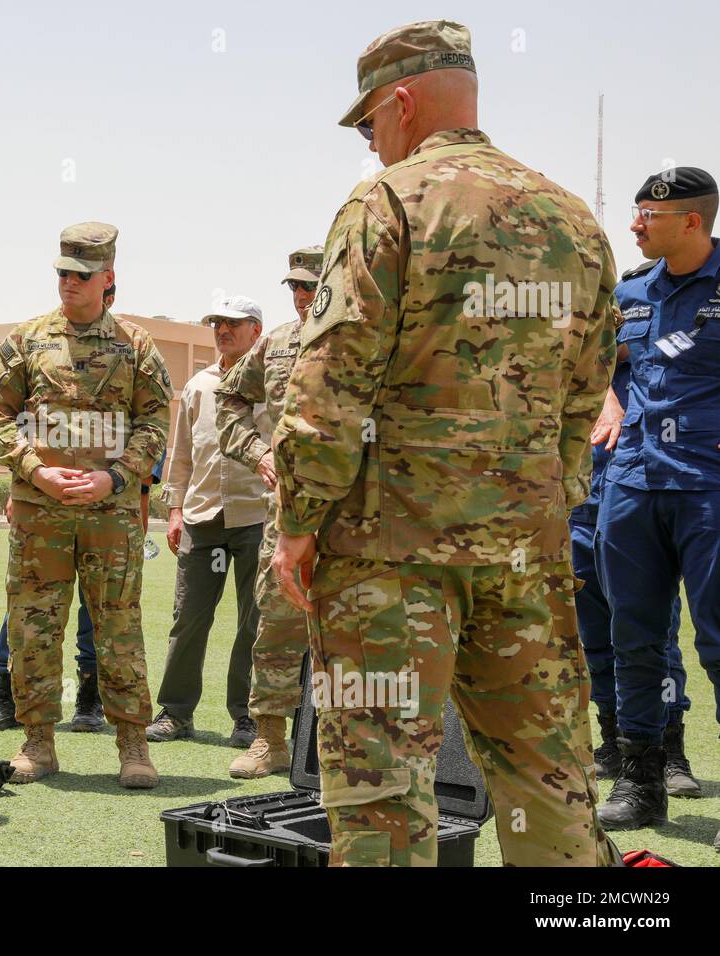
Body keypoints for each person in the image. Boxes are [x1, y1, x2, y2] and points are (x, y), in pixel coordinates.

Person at [271, 20, 617, 866]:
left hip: (391, 557)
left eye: (367, 125)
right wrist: (543, 499)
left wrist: (298, 519)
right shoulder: (575, 219)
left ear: (401, 102)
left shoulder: (388, 202)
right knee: (547, 778)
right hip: (525, 553)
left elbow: (329, 385)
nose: (372, 142)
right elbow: (589, 394)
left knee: (384, 789)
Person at [0, 221, 171, 788]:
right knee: (34, 625)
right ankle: (38, 742)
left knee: (118, 624)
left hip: (109, 516)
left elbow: (156, 420)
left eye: (82, 275)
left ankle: (133, 745)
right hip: (40, 515)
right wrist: (35, 469)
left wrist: (115, 479)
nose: (70, 282)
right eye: (64, 272)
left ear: (108, 278)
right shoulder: (26, 340)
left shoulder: (135, 346)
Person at [595, 167, 720, 833]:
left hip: (709, 487)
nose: (635, 225)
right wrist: (613, 398)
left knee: (719, 643)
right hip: (635, 484)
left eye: (647, 215)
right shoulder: (631, 292)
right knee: (634, 638)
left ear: (692, 221)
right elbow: (603, 365)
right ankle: (640, 783)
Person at [215, 247, 321, 778]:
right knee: (276, 625)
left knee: (363, 631)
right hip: (288, 512)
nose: (302, 297)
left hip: (362, 515)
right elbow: (229, 400)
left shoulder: (375, 335)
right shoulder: (276, 344)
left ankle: (353, 746)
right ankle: (270, 740)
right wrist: (258, 454)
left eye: (311, 285)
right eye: (294, 288)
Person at [570, 323, 690, 787]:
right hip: (581, 510)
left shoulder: (660, 374)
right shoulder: (577, 371)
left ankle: (670, 749)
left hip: (637, 511)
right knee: (596, 639)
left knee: (655, 635)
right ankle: (613, 742)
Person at [0, 451, 164, 735]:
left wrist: (139, 516)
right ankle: (7, 697)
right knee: (29, 607)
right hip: (42, 502)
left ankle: (88, 699)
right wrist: (22, 486)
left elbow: (145, 477)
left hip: (109, 507)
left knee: (101, 609)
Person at [148, 296, 268, 748]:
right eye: (217, 323)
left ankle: (248, 717)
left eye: (233, 323)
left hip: (257, 514)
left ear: (255, 329)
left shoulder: (275, 382)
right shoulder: (198, 385)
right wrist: (175, 509)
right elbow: (180, 453)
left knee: (254, 622)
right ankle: (176, 713)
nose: (222, 330)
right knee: (188, 618)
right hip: (203, 516)